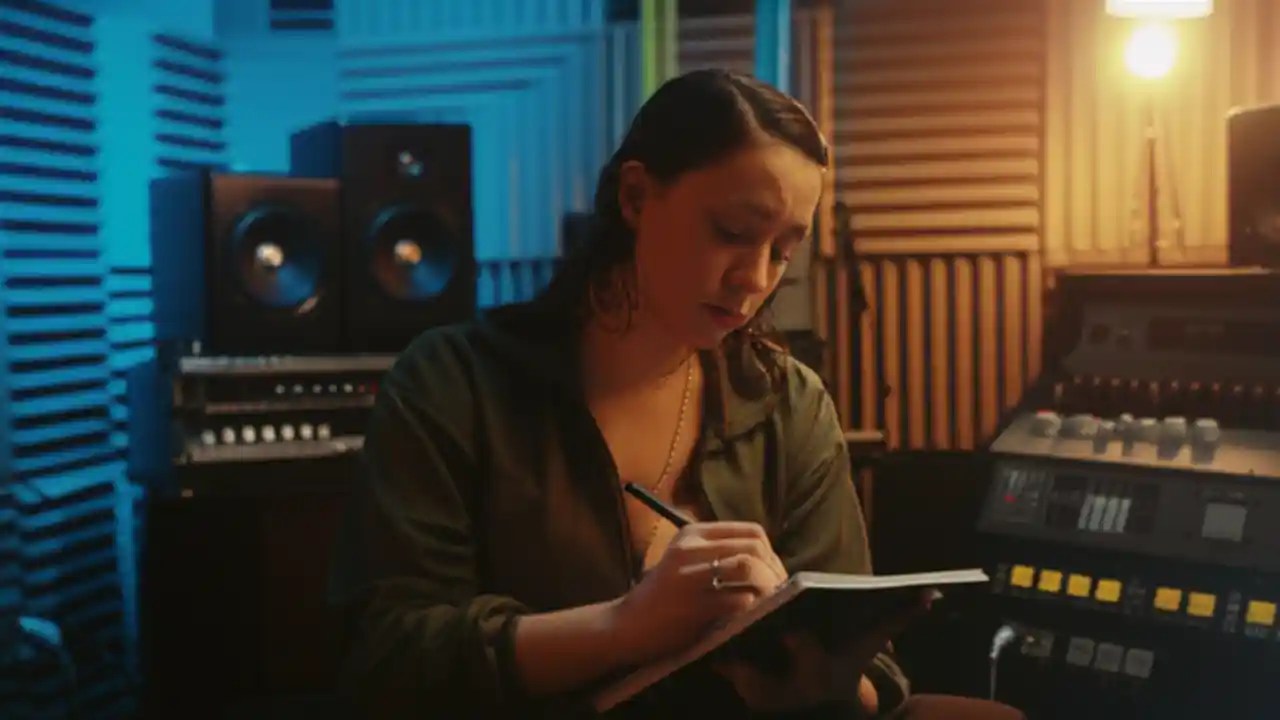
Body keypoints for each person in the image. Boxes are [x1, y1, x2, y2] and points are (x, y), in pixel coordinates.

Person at [327, 69, 1025, 720]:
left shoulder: (788, 402)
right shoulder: (453, 382)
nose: (756, 278)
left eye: (783, 251)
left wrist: (829, 681)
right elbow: (390, 656)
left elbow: (874, 672)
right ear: (635, 197)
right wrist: (623, 627)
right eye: (732, 232)